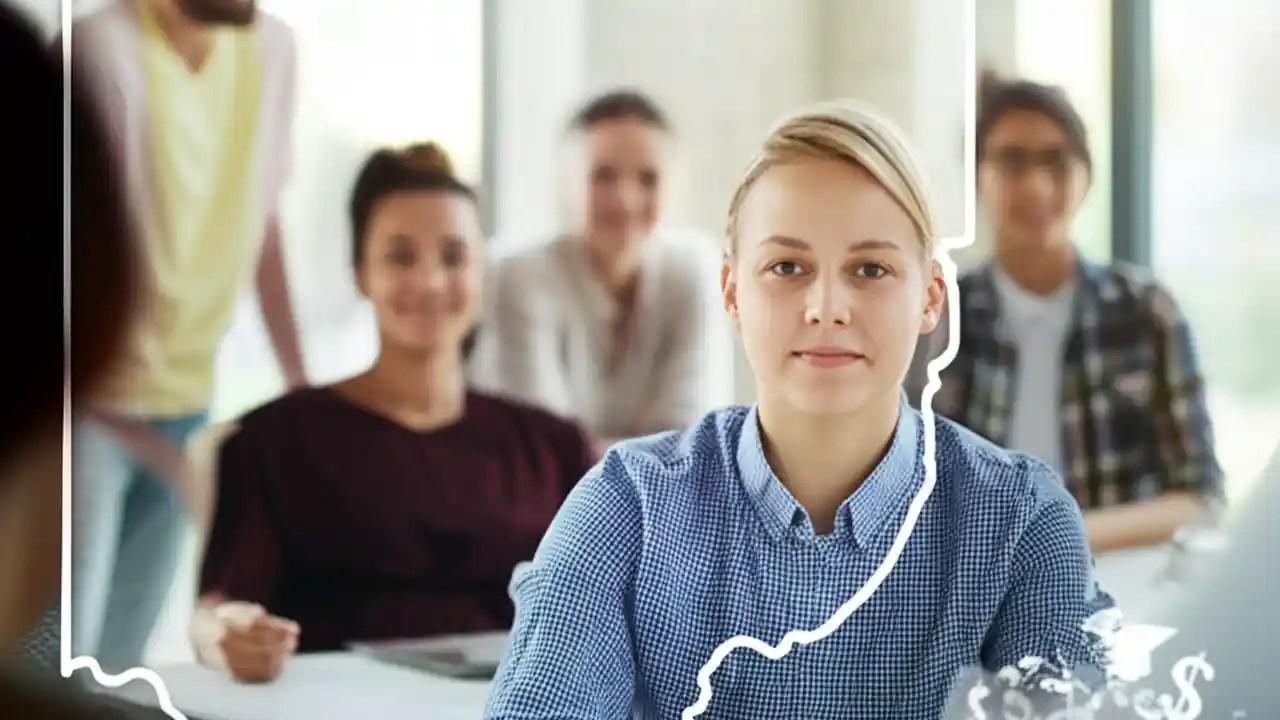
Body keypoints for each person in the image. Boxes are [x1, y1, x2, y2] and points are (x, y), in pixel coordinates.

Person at [484, 99, 1112, 719]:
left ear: (929, 297)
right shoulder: (626, 507)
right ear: (732, 293)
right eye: (787, 266)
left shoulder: (1022, 523)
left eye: (870, 268)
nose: (826, 307)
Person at [189, 143, 599, 684]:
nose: (430, 282)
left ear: (483, 274)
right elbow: (218, 608)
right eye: (401, 257)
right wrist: (230, 635)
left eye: (453, 257)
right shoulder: (275, 441)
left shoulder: (554, 447)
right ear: (360, 271)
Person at [67, 0, 306, 671]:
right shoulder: (98, 52)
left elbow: (262, 225)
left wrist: (299, 386)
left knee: (118, 668)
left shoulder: (272, 50)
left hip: (187, 402)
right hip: (86, 411)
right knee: (58, 665)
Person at [906, 73, 1222, 554]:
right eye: (1012, 161)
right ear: (976, 176)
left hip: (1119, 590)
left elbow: (1200, 497)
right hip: (977, 594)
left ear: (1085, 176)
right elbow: (898, 490)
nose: (1035, 186)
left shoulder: (1146, 311)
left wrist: (1058, 537)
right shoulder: (937, 313)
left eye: (1056, 161)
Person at [0, 6, 194, 717]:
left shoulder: (263, 58)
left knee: (106, 656)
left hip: (166, 401)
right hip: (114, 410)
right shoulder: (101, 50)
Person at [468, 89, 734, 443]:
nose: (625, 198)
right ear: (564, 182)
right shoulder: (516, 274)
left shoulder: (696, 269)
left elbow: (692, 443)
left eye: (648, 179)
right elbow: (540, 449)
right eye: (603, 176)